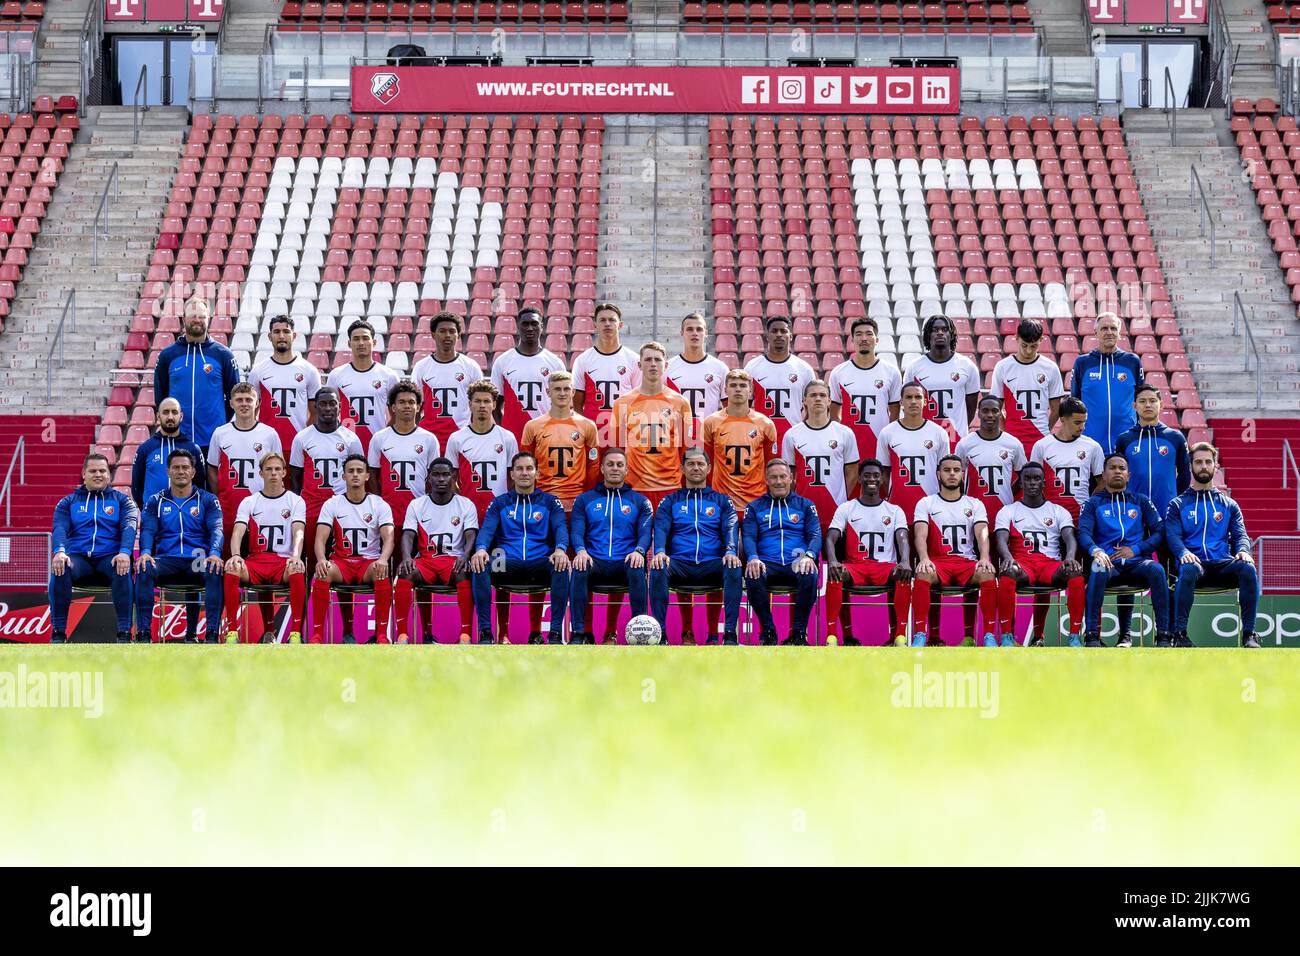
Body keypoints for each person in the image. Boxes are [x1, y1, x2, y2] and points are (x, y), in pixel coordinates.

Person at [468, 452, 572, 646]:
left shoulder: (551, 502)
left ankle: (555, 634)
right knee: (481, 565)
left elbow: (560, 528)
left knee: (561, 565)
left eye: (529, 468)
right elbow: (487, 530)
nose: (524, 473)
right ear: (512, 474)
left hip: (540, 562)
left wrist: (560, 549)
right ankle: (486, 633)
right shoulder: (499, 503)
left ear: (537, 473)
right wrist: (481, 549)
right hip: (506, 564)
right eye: (520, 469)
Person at [1164, 443, 1259, 648]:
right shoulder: (1177, 505)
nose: (1204, 466)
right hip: (1194, 566)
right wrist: (1183, 552)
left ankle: (1249, 635)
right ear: (1191, 466)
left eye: (1208, 462)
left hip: (1222, 565)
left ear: (1216, 466)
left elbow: (1241, 535)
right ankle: (1179, 635)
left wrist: (1243, 551)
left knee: (1248, 568)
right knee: (1188, 569)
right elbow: (1173, 536)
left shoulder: (1229, 504)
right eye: (1198, 462)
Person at [649, 447, 743, 645]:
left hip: (711, 564)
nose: (696, 468)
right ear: (682, 468)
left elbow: (731, 527)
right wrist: (659, 551)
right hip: (680, 564)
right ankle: (660, 634)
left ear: (709, 468)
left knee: (733, 565)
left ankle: (729, 635)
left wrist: (730, 551)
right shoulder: (670, 501)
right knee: (658, 566)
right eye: (690, 464)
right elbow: (661, 527)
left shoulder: (722, 501)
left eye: (700, 464)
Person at [1077, 453, 1170, 648]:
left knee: (1157, 569)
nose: (1117, 471)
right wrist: (1096, 550)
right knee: (1097, 569)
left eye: (1122, 468)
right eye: (1112, 468)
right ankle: (1092, 635)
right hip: (1107, 562)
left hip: (1137, 562)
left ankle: (1162, 635)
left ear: (1128, 475)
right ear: (1104, 474)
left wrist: (1136, 549)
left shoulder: (1141, 501)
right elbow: (1083, 532)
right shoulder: (1092, 503)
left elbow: (1160, 531)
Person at [910, 455, 1000, 647]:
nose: (952, 474)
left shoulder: (974, 504)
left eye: (956, 470)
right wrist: (924, 558)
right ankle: (920, 634)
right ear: (938, 474)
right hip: (938, 562)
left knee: (986, 572)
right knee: (923, 572)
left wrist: (985, 558)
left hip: (965, 562)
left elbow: (982, 533)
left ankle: (988, 636)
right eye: (947, 470)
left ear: (963, 474)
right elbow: (920, 534)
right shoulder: (926, 503)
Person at [136, 449, 224, 643]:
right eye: (175, 467)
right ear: (168, 471)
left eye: (185, 467)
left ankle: (211, 634)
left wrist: (215, 553)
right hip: (167, 561)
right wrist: (145, 552)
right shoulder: (156, 500)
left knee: (214, 568)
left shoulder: (208, 500)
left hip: (197, 561)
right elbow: (148, 530)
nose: (181, 471)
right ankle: (143, 633)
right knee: (144, 568)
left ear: (193, 472)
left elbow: (216, 529)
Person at [49, 454, 139, 644]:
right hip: (79, 559)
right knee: (60, 567)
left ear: (109, 475)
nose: (98, 474)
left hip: (109, 558)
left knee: (123, 566)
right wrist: (60, 551)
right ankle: (58, 633)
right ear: (84, 474)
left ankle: (124, 633)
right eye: (93, 471)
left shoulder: (123, 501)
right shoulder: (68, 502)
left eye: (102, 471)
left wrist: (124, 552)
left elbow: (129, 527)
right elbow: (60, 528)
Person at [993, 461, 1085, 647]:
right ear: (1020, 483)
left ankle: (1074, 637)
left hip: (1050, 565)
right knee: (1008, 572)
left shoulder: (1058, 511)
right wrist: (1008, 557)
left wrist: (1070, 557)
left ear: (1044, 483)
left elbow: (1069, 538)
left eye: (1037, 479)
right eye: (1027, 479)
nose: (1032, 482)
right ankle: (1007, 637)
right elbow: (1001, 539)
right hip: (1023, 565)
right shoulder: (1008, 511)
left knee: (1075, 573)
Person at [568, 449, 654, 645]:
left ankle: (641, 632)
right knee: (579, 566)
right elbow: (577, 531)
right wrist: (581, 551)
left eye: (619, 465)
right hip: (594, 561)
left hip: (625, 561)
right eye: (610, 464)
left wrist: (639, 551)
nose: (615, 468)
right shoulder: (584, 500)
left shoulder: (640, 501)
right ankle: (579, 633)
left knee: (637, 565)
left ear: (626, 470)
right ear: (602, 468)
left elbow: (645, 533)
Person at [824, 459, 912, 647]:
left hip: (884, 567)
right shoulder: (846, 508)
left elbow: (903, 538)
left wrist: (905, 560)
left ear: (882, 479)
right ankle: (833, 636)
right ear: (859, 479)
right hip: (855, 567)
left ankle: (899, 636)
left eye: (876, 475)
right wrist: (832, 561)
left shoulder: (894, 510)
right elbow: (830, 538)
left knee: (903, 573)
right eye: (867, 475)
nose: (871, 479)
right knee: (835, 573)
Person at [222, 452, 307, 645]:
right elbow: (237, 532)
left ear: (284, 472)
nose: (273, 473)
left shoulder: (295, 501)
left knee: (296, 568)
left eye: (277, 469)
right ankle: (232, 633)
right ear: (261, 473)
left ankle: (295, 634)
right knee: (233, 567)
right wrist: (236, 555)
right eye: (269, 469)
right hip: (256, 561)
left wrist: (296, 555)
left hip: (282, 562)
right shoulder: (249, 501)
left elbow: (299, 531)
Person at [310, 455, 395, 645]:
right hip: (341, 563)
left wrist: (383, 559)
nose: (355, 474)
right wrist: (321, 559)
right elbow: (320, 539)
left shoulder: (379, 504)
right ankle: (317, 635)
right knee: (323, 571)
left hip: (368, 563)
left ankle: (382, 635)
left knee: (381, 570)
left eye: (359, 471)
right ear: (343, 476)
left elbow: (389, 538)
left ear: (367, 476)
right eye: (350, 471)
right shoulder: (332, 503)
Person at [394, 458, 479, 645]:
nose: (441, 479)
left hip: (453, 560)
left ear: (453, 477)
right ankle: (402, 635)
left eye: (445, 474)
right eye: (436, 474)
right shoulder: (417, 504)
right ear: (428, 478)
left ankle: (465, 635)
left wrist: (465, 556)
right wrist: (406, 558)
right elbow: (408, 535)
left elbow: (471, 534)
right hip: (426, 561)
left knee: (464, 571)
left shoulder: (465, 504)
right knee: (406, 571)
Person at [742, 459, 821, 646]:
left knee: (809, 572)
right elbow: (748, 536)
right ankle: (768, 631)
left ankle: (799, 633)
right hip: (766, 563)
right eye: (773, 477)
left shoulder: (806, 505)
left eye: (783, 477)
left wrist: (809, 555)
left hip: (797, 562)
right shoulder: (754, 507)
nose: (778, 481)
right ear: (766, 480)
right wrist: (753, 558)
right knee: (752, 574)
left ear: (791, 478)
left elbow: (816, 534)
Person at [610, 342, 693, 511]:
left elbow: (686, 449)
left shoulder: (681, 403)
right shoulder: (622, 403)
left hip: (670, 486)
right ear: (639, 365)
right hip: (634, 487)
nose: (653, 364)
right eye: (648, 360)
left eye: (657, 360)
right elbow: (616, 448)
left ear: (666, 365)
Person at [154, 298, 241, 450]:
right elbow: (161, 396)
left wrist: (219, 422)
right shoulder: (167, 355)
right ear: (183, 319)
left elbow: (234, 396)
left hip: (213, 440)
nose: (197, 320)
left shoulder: (223, 355)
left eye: (201, 316)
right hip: (177, 439)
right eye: (192, 316)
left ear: (209, 318)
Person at [207, 382, 282, 554]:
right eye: (239, 400)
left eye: (249, 400)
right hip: (229, 506)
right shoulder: (220, 433)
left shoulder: (269, 434)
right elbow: (211, 468)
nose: (244, 404)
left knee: (258, 555)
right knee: (228, 556)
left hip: (261, 504)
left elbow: (277, 469)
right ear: (231, 403)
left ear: (257, 403)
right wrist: (221, 494)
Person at [288, 386, 363, 558]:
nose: (328, 408)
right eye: (323, 404)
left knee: (341, 557)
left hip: (342, 505)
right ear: (315, 407)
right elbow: (296, 477)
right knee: (312, 557)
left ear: (340, 407)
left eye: (332, 403)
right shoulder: (302, 438)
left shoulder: (351, 439)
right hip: (311, 506)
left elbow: (358, 475)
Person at [781, 379, 860, 530]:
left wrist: (840, 499)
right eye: (813, 395)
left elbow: (852, 473)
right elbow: (789, 475)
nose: (818, 399)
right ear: (804, 400)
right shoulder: (792, 435)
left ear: (829, 401)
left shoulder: (845, 433)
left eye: (822, 395)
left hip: (836, 510)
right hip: (803, 511)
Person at [700, 368, 779, 518]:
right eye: (733, 385)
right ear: (725, 390)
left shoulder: (766, 424)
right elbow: (707, 466)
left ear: (750, 391)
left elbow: (771, 467)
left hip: (756, 503)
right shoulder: (711, 422)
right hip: (722, 503)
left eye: (743, 385)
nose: (738, 389)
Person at [521, 370, 601, 513]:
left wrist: (585, 497)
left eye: (566, 389)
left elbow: (593, 466)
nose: (562, 393)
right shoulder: (532, 426)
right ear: (548, 392)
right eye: (557, 389)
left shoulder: (587, 426)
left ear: (573, 392)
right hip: (544, 503)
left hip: (576, 503)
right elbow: (525, 465)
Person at [368, 379, 440, 530]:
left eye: (411, 402)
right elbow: (373, 475)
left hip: (419, 514)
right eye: (401, 402)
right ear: (393, 407)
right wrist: (380, 505)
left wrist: (427, 505)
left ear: (418, 407)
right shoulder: (379, 438)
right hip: (388, 515)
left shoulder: (429, 439)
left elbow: (433, 477)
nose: (407, 406)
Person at [827, 316, 901, 464]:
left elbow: (895, 414)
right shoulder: (839, 373)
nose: (864, 338)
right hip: (849, 446)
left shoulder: (891, 372)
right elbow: (834, 414)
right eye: (859, 334)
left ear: (876, 339)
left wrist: (889, 441)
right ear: (852, 340)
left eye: (868, 334)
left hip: (880, 444)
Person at [1069, 310, 1143, 454]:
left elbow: (1140, 398)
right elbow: (1075, 402)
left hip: (1127, 442)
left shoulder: (1132, 361)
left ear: (1119, 333)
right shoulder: (1083, 363)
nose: (1109, 332)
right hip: (1091, 442)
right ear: (1095, 333)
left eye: (1113, 328)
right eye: (1104, 328)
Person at [445, 379, 520, 521]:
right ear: (470, 404)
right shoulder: (456, 438)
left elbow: (513, 478)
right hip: (468, 514)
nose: (482, 405)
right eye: (477, 401)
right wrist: (462, 503)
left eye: (486, 401)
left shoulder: (507, 438)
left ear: (494, 405)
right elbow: (451, 479)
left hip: (500, 512)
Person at [877, 382, 950, 523]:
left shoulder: (939, 433)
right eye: (909, 397)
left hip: (931, 507)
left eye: (918, 397)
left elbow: (943, 473)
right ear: (901, 402)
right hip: (897, 506)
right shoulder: (887, 433)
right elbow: (884, 472)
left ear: (925, 402)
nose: (913, 401)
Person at [410, 310, 484, 450]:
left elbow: (480, 404)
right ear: (433, 335)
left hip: (461, 437)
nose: (447, 335)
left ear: (458, 335)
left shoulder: (471, 366)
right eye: (442, 331)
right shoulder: (421, 367)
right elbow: (416, 406)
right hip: (429, 438)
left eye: (452, 331)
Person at [989, 318, 1066, 450]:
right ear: (1016, 338)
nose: (1029, 351)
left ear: (1041, 340)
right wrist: (1006, 432)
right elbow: (996, 408)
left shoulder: (1050, 368)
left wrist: (1045, 430)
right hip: (1012, 439)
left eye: (1033, 346)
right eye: (1024, 345)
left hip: (1041, 439)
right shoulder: (1003, 367)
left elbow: (1056, 409)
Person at [248, 314, 321, 453]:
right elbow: (251, 413)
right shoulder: (258, 371)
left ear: (294, 335)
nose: (281, 336)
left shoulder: (309, 370)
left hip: (297, 445)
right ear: (269, 336)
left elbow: (315, 413)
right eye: (276, 332)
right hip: (266, 445)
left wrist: (304, 438)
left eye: (286, 331)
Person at [1115, 383, 1190, 518]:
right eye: (1142, 401)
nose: (1148, 405)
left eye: (1152, 401)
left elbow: (1184, 474)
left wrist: (1175, 500)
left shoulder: (1175, 437)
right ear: (1134, 406)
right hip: (1133, 510)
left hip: (1167, 510)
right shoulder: (1124, 439)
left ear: (1161, 405)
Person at [954, 394, 1027, 530]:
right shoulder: (965, 444)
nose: (990, 415)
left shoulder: (1013, 443)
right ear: (978, 413)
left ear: (1001, 414)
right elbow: (955, 477)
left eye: (994, 411)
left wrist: (1009, 493)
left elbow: (1024, 476)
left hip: (1004, 511)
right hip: (973, 512)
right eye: (985, 411)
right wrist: (966, 496)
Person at [488, 306, 566, 434]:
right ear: (518, 327)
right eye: (525, 324)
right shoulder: (503, 362)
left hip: (545, 433)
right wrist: (504, 431)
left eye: (534, 324)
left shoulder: (555, 363)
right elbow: (495, 404)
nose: (530, 328)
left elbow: (563, 402)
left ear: (541, 327)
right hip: (513, 434)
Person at [904, 315, 981, 443]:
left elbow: (970, 408)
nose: (940, 333)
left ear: (951, 335)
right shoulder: (914, 368)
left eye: (944, 329)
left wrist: (957, 429)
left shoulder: (967, 366)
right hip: (924, 438)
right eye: (935, 330)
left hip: (956, 437)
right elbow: (908, 405)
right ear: (928, 335)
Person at [328, 319, 401, 453]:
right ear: (349, 343)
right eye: (356, 339)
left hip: (378, 446)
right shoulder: (336, 375)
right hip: (346, 445)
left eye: (365, 338)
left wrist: (385, 436)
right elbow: (330, 412)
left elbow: (397, 413)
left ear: (374, 342)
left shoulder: (389, 375)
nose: (361, 343)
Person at [744, 316, 816, 447]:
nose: (779, 334)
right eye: (774, 331)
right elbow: (744, 407)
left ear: (791, 336)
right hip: (761, 438)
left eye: (783, 331)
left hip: (794, 438)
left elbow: (813, 408)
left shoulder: (804, 369)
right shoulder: (752, 367)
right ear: (767, 336)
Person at [1030, 395, 1104, 520]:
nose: (1082, 427)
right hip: (1049, 517)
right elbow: (1032, 482)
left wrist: (1089, 504)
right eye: (1077, 423)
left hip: (1080, 516)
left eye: (1084, 422)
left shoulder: (1093, 446)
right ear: (1062, 419)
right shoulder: (1042, 446)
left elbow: (1103, 482)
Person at [570, 301, 640, 425]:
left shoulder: (634, 360)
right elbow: (577, 405)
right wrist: (585, 430)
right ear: (595, 325)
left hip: (623, 431)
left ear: (620, 324)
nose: (607, 324)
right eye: (602, 320)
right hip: (594, 432)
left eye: (612, 320)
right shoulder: (583, 360)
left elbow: (639, 401)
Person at [131, 396, 207, 507]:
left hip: (185, 513)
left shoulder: (193, 449)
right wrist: (148, 509)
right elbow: (136, 487)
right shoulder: (145, 449)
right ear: (158, 416)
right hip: (154, 514)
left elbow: (201, 485)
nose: (170, 417)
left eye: (174, 412)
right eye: (166, 412)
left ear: (181, 416)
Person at [666, 311, 730, 424]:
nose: (695, 333)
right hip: (678, 433)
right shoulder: (668, 368)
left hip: (707, 433)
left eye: (699, 329)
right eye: (690, 329)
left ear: (706, 333)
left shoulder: (720, 368)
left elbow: (729, 409)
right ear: (682, 333)